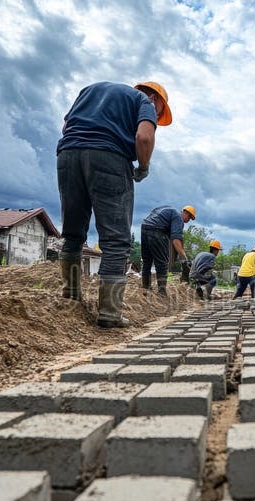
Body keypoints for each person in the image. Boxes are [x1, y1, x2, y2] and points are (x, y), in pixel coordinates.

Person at [56, 80, 172, 328]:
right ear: (157, 99)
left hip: (68, 155)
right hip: (109, 158)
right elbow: (144, 137)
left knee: (73, 235)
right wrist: (142, 166)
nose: (157, 114)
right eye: (160, 112)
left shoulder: (90, 90)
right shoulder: (144, 102)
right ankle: (109, 313)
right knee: (116, 240)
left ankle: (71, 298)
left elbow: (66, 126)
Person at [140, 205, 195, 295]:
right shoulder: (178, 217)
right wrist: (185, 259)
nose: (188, 221)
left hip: (145, 227)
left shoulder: (168, 210)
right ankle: (162, 293)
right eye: (189, 218)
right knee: (162, 263)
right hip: (157, 230)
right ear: (185, 213)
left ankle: (146, 289)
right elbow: (176, 241)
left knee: (147, 262)